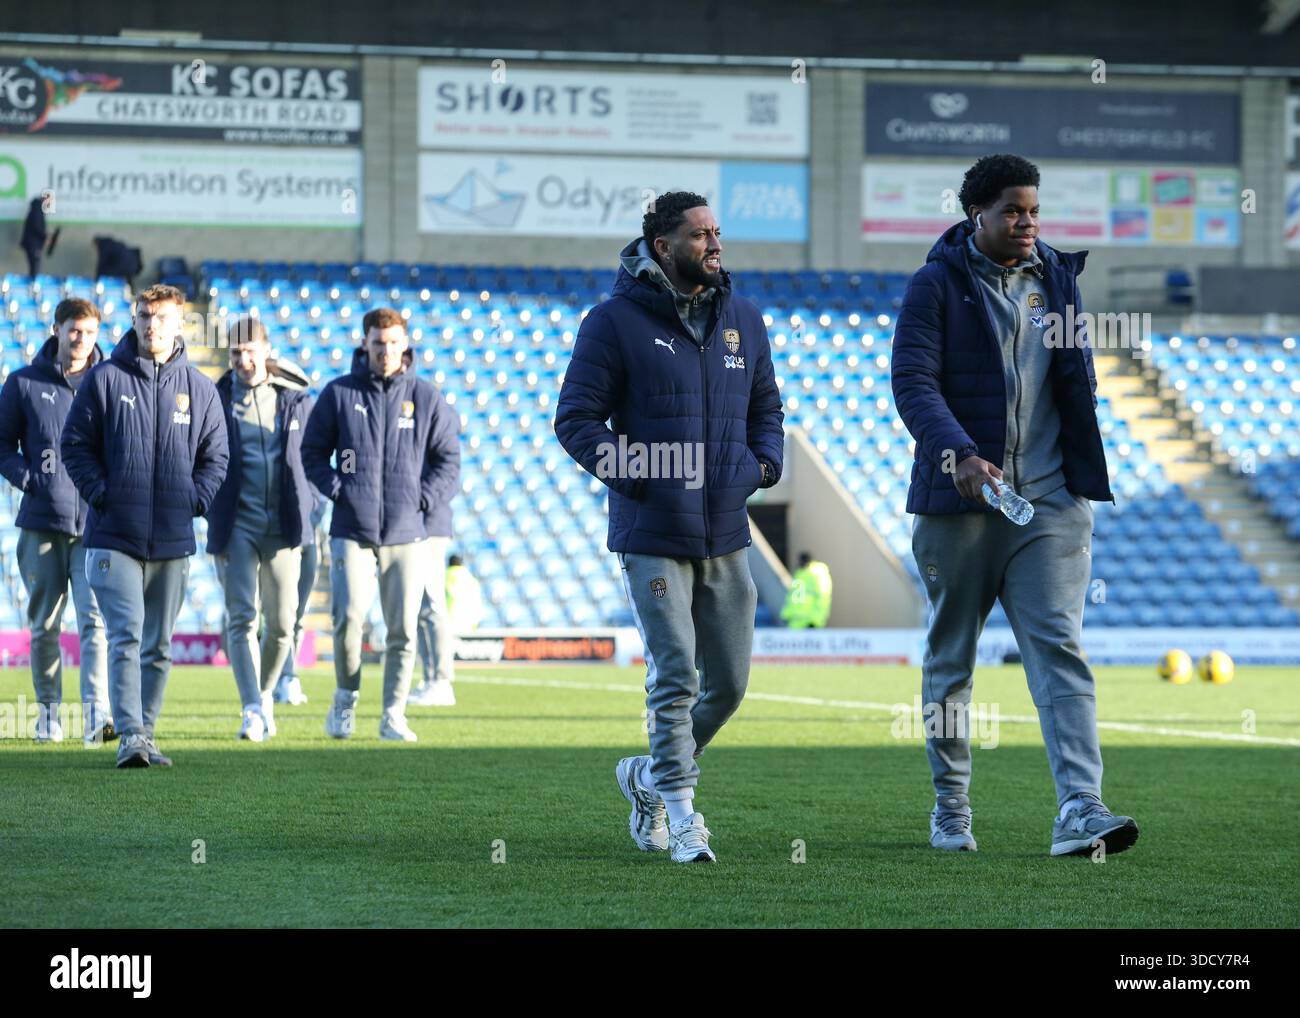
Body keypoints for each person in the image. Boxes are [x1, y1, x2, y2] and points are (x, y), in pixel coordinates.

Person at [891, 153, 1139, 857]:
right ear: (979, 213)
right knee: (952, 659)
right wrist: (959, 453)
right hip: (960, 505)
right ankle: (951, 807)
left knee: (1059, 650)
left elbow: (1072, 378)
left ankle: (1081, 807)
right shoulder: (935, 286)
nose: (1027, 222)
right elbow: (912, 381)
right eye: (1013, 211)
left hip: (1053, 501)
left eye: (1033, 209)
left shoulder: (1059, 279)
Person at [555, 192, 784, 863]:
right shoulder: (612, 323)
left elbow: (766, 406)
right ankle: (683, 817)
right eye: (700, 235)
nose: (715, 245)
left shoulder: (744, 319)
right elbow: (576, 421)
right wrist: (638, 478)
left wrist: (762, 466)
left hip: (726, 531)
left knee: (731, 686)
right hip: (652, 531)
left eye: (718, 233)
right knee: (676, 672)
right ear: (662, 246)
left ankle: (649, 778)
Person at [61, 283, 228, 768]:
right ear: (134, 320)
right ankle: (130, 735)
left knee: (157, 645)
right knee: (127, 635)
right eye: (144, 315)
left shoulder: (199, 388)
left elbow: (216, 457)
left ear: (179, 324)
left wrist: (195, 499)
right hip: (114, 536)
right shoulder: (105, 378)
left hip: (174, 540)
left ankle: (146, 734)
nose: (151, 325)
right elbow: (75, 445)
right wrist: (101, 494)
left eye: (161, 317)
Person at [301, 307, 460, 742]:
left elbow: (449, 459)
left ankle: (392, 713)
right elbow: (313, 452)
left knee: (403, 629)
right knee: (348, 618)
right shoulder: (340, 394)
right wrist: (339, 489)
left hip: (407, 533)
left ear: (404, 346)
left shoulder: (425, 397)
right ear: (365, 344)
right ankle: (345, 699)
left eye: (393, 343)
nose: (386, 351)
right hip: (352, 528)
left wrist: (421, 499)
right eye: (378, 343)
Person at [0, 298, 111, 744]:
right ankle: (48, 712)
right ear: (56, 329)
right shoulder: (23, 383)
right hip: (42, 524)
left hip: (96, 527)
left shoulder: (110, 382)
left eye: (88, 330)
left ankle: (96, 714)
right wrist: (28, 478)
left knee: (95, 621)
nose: (81, 338)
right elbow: (2, 444)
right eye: (73, 330)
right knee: (46, 623)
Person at [207, 317, 316, 743]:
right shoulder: (215, 397)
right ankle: (251, 707)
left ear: (267, 352)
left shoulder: (291, 397)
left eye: (251, 350)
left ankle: (266, 693)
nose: (243, 360)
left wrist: (313, 501)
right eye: (235, 352)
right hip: (235, 525)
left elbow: (316, 440)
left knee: (284, 625)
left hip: (284, 525)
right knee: (241, 618)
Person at [273, 496, 327, 706]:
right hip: (282, 538)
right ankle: (286, 677)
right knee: (283, 614)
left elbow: (323, 494)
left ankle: (285, 674)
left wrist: (310, 517)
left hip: (308, 538)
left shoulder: (313, 464)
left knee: (297, 616)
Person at [780, 552, 832, 629]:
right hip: (795, 625)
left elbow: (823, 599)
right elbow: (792, 598)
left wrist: (815, 621)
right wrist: (786, 615)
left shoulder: (818, 575)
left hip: (810, 624)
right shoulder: (799, 574)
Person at [19, 198, 47, 278]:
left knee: (34, 267)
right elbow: (37, 228)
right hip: (33, 245)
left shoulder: (35, 211)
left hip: (32, 244)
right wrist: (45, 236)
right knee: (35, 267)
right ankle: (33, 285)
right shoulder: (37, 212)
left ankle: (33, 283)